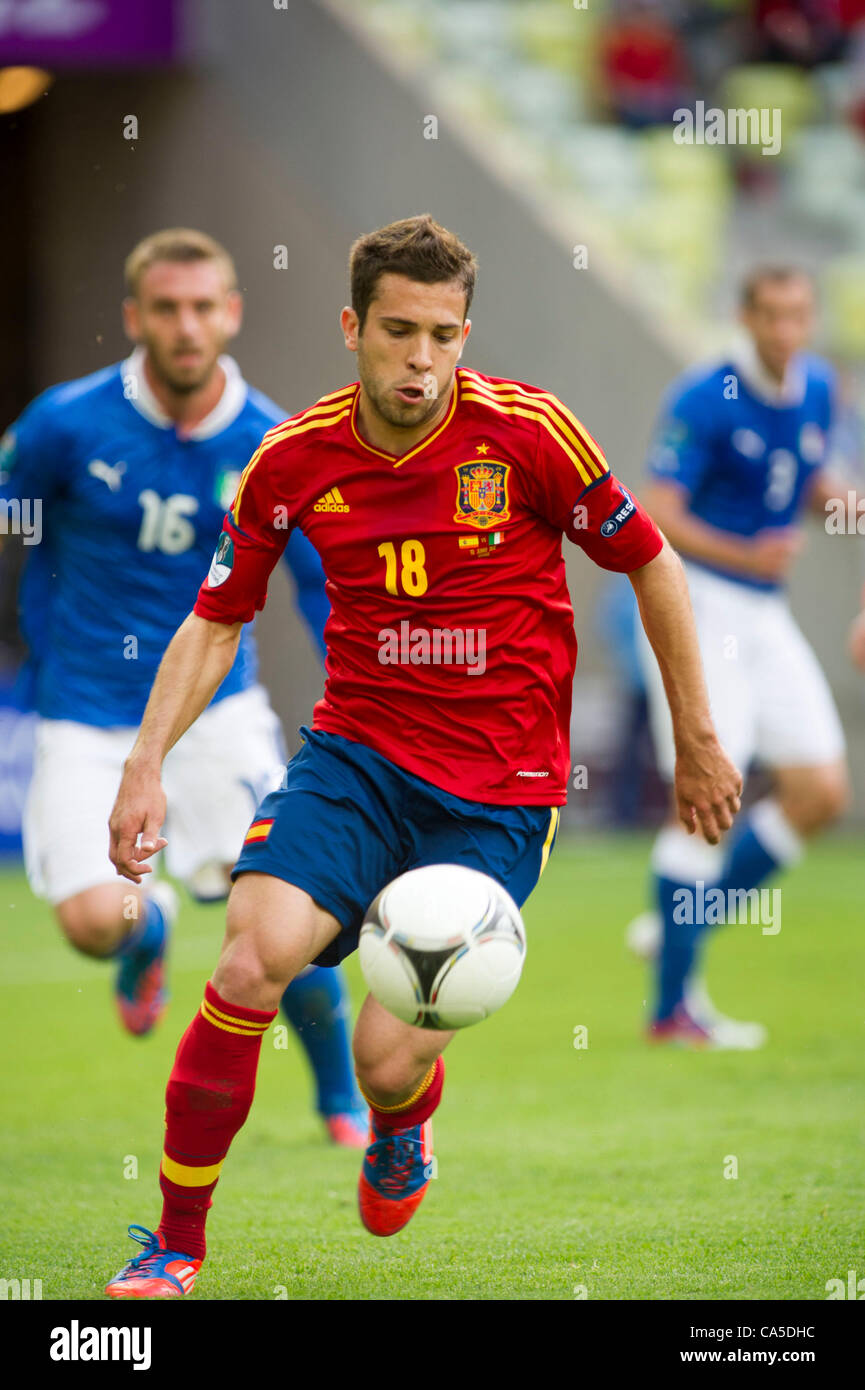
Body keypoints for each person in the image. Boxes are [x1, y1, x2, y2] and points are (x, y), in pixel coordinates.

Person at [103, 214, 741, 1298]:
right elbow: (216, 620)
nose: (422, 358)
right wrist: (144, 762)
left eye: (444, 334)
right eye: (399, 330)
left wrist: (696, 738)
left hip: (495, 797)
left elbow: (654, 564)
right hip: (354, 759)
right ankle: (174, 1244)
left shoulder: (529, 431)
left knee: (381, 1057)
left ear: (465, 332)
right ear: (353, 325)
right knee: (252, 961)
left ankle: (402, 1121)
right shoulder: (293, 456)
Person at [0, 228, 367, 1147]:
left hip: (219, 712)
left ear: (232, 313)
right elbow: (16, 525)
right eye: (166, 307)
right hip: (85, 712)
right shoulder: (62, 424)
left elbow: (322, 588)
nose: (187, 325)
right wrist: (39, 642)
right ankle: (147, 934)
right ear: (135, 317)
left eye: (204, 306)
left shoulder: (272, 443)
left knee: (288, 916)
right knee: (95, 922)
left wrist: (354, 703)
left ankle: (340, 1099)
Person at [628, 266, 855, 1048]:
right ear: (744, 315)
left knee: (820, 790)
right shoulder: (704, 397)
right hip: (702, 605)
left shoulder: (819, 388)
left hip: (763, 612)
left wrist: (850, 506)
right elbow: (659, 515)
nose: (785, 330)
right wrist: (746, 554)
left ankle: (679, 921)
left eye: (798, 314)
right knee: (705, 802)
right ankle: (670, 1011)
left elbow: (812, 483)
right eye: (771, 315)